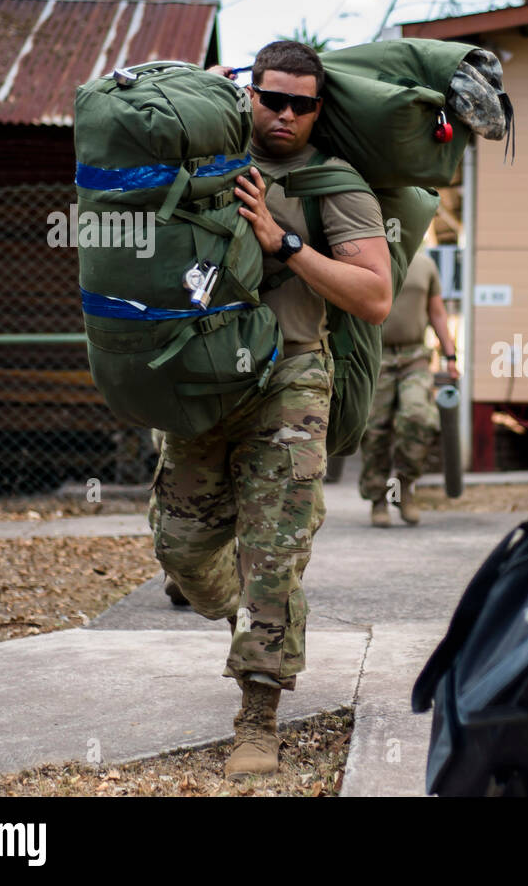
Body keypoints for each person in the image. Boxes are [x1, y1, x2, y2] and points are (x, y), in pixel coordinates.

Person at [149, 40, 392, 779]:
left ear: (320, 110)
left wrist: (283, 243)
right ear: (246, 93)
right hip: (203, 383)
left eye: (301, 103)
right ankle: (241, 605)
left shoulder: (333, 182)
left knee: (274, 552)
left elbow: (373, 296)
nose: (284, 114)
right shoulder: (204, 163)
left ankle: (257, 717)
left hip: (291, 380)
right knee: (181, 548)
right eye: (271, 97)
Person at [359, 250, 459, 526]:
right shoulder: (370, 256)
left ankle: (403, 487)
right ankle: (378, 499)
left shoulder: (426, 264)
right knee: (374, 429)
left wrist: (450, 357)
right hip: (376, 356)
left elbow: (437, 312)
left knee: (419, 418)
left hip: (415, 357)